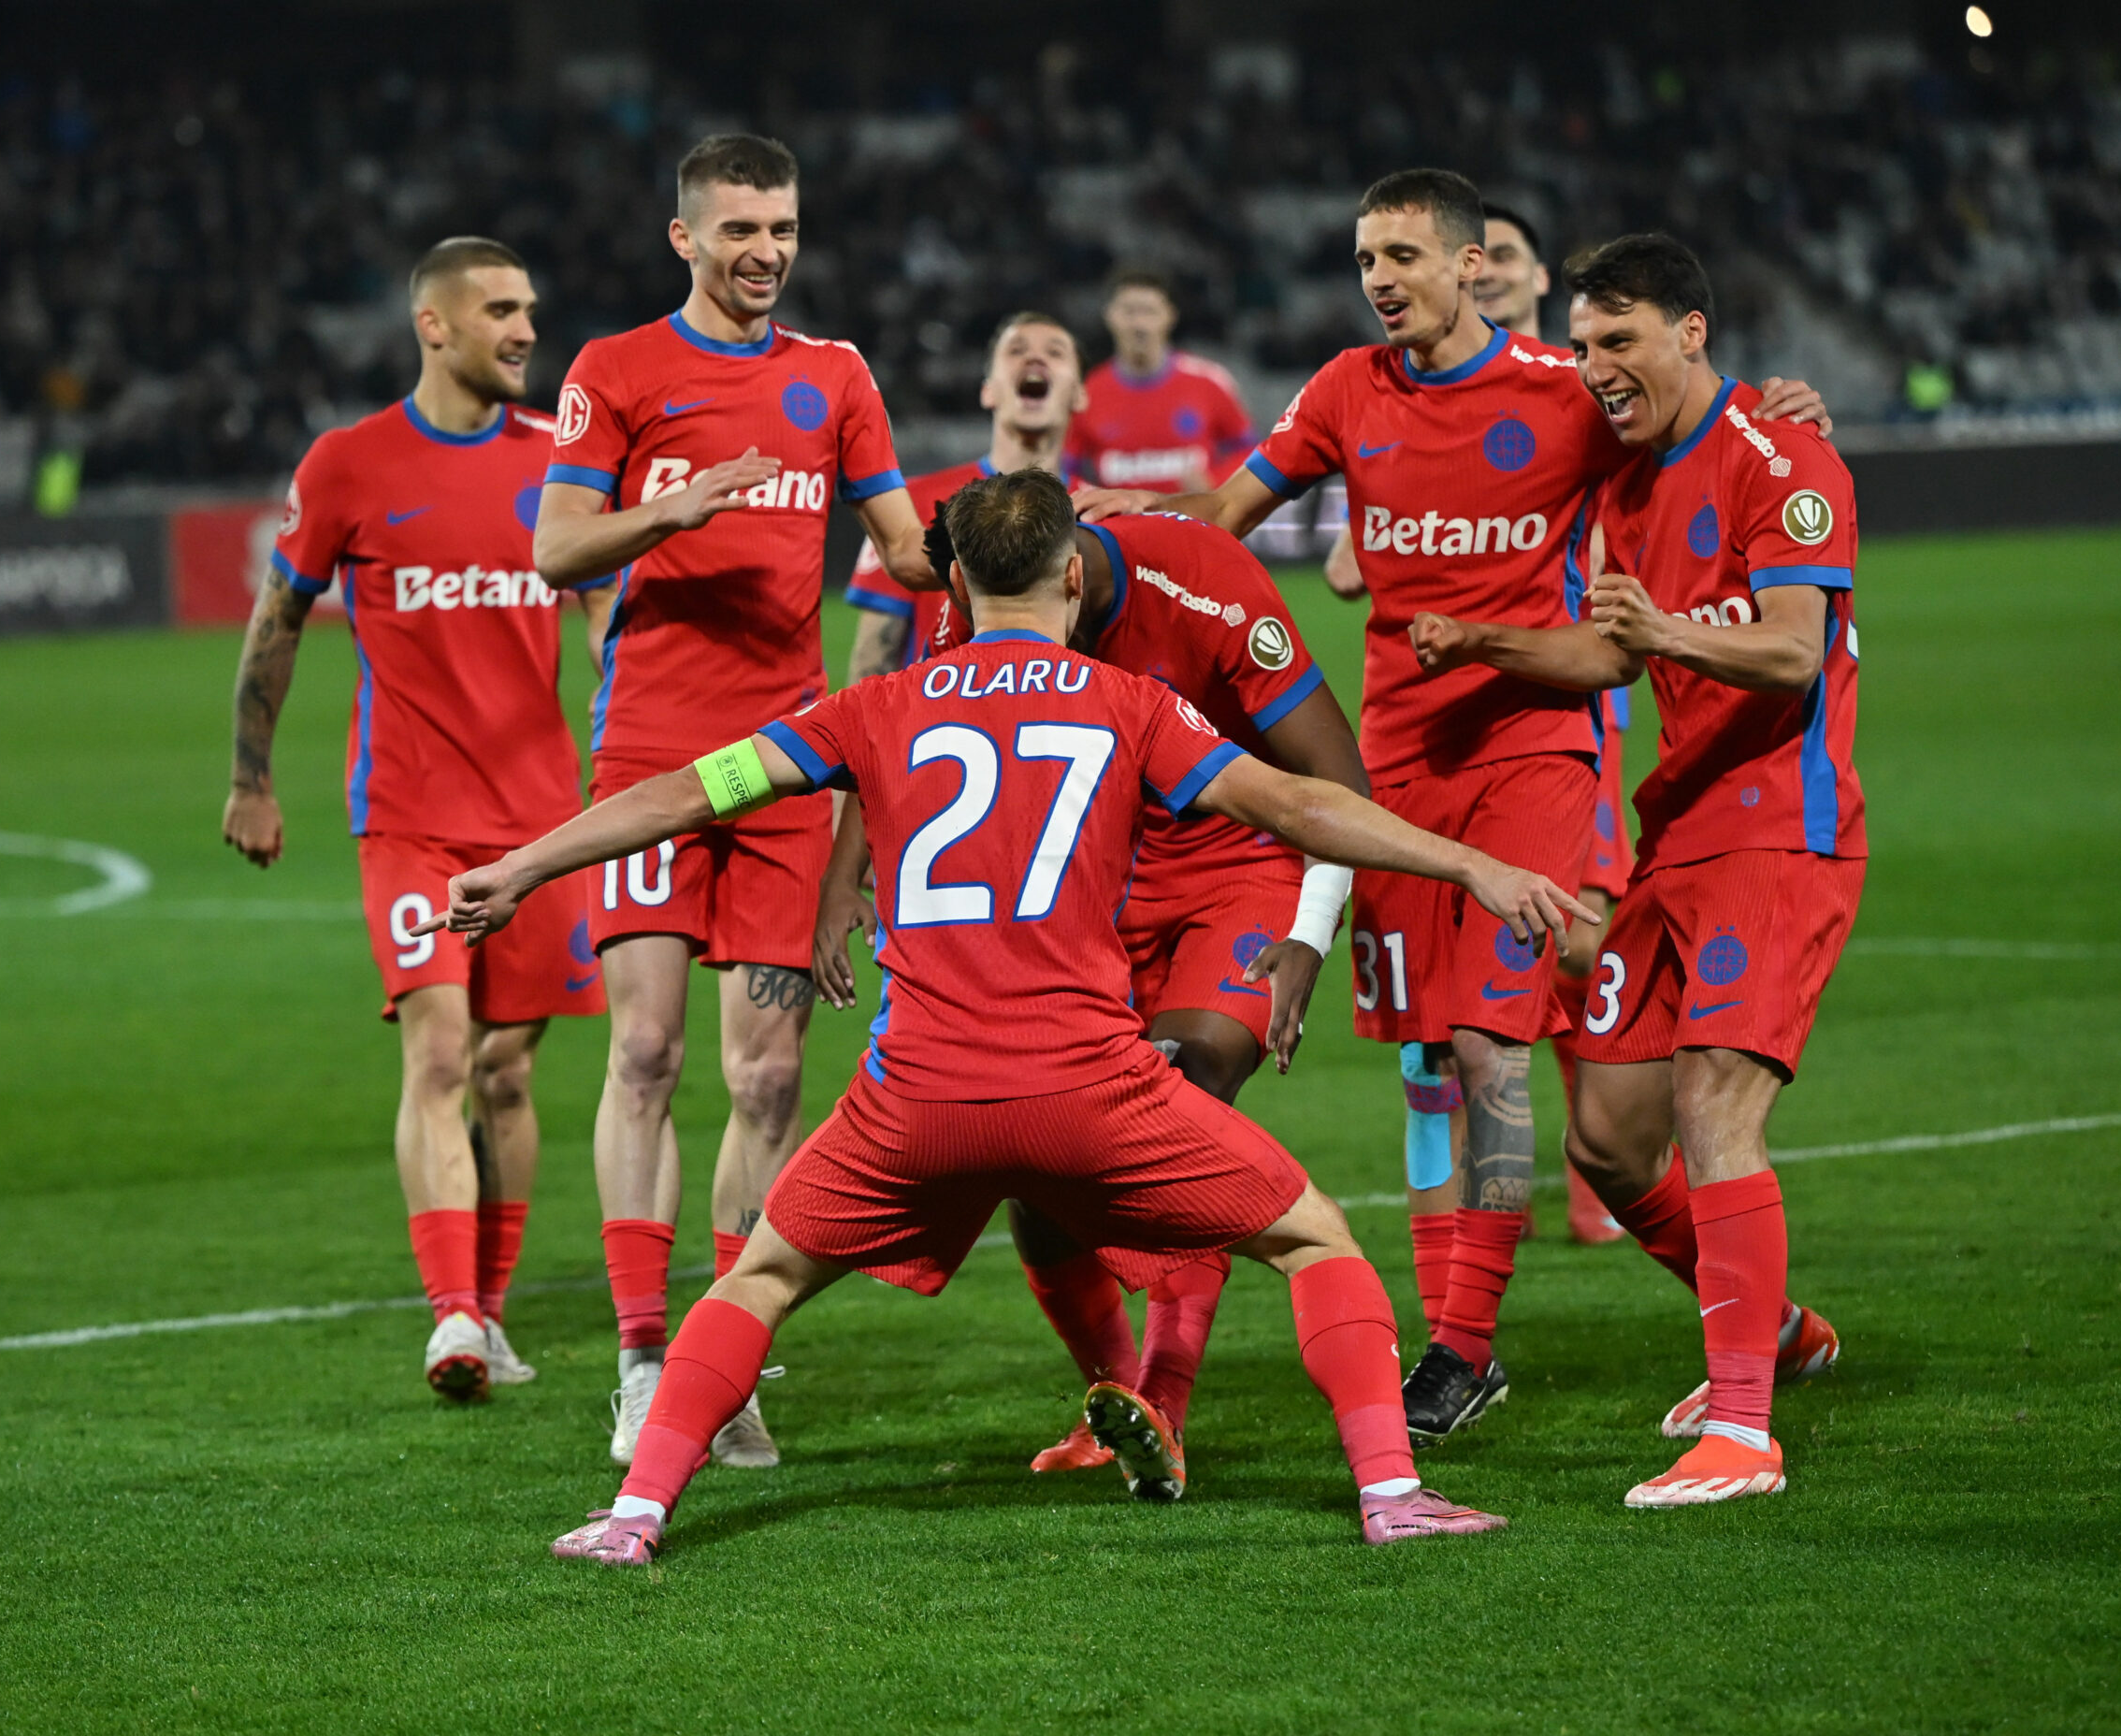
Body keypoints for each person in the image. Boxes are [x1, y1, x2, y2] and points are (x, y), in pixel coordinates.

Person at [414, 470, 1597, 1561]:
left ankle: (631, 1514)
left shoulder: (872, 707)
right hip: (1093, 1089)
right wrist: (1470, 868)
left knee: (758, 1280)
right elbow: (1297, 801)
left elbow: (690, 789)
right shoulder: (1132, 707)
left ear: (957, 582)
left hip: (912, 1102)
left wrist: (524, 866)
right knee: (1315, 1240)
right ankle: (1392, 1495)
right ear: (1074, 573)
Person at [1411, 231, 1856, 1508]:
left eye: (1622, 340)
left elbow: (1791, 651)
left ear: (1691, 333)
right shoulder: (1629, 489)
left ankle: (1744, 1435)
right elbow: (1612, 661)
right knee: (1610, 1143)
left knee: (1717, 1114)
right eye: (1590, 342)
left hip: (1784, 829)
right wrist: (1484, 642)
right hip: (1677, 844)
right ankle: (1773, 1328)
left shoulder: (1784, 456)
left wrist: (1659, 628)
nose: (1601, 365)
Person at [817, 499, 1370, 1497]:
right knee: (1041, 1172)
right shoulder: (992, 597)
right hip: (1092, 883)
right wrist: (841, 881)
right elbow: (898, 732)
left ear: (1071, 579)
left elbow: (1332, 777)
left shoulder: (1205, 585)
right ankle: (1115, 1402)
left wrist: (1309, 930)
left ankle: (1164, 1395)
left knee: (1186, 1094)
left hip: (1238, 870)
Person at [530, 134, 924, 1470]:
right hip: (651, 760)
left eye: (785, 230)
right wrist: (675, 509)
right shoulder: (617, 369)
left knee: (767, 1080)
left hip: (783, 769)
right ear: (684, 238)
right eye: (742, 229)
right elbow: (554, 547)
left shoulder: (836, 378)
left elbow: (907, 549)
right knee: (644, 1056)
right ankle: (643, 1360)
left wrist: (1028, 540)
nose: (766, 252)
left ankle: (722, 1357)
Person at [220, 237, 612, 1402]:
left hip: (539, 822)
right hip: (409, 815)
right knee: (439, 1050)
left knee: (504, 1073)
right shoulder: (351, 464)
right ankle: (450, 1317)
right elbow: (278, 621)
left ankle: (489, 1315)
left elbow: (609, 612)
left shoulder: (561, 462)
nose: (526, 329)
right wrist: (251, 776)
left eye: (530, 307)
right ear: (433, 326)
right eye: (500, 309)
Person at [1328, 197, 1624, 1252]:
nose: (1378, 276)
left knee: (1540, 979)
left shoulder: (1573, 394)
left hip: (1546, 728)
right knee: (1425, 1055)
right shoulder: (1357, 391)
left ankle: (1593, 1183)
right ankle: (1455, 1314)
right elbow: (1332, 555)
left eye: (1401, 255)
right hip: (1405, 755)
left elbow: (1684, 463)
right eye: (1365, 258)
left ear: (1506, 273)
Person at [843, 311, 1085, 684]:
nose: (1035, 358)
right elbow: (874, 656)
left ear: (1080, 393)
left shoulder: (1102, 511)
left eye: (1055, 352)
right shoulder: (912, 503)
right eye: (1016, 350)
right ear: (988, 389)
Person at [1065, 270, 1254, 494]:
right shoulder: (1085, 394)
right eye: (1129, 312)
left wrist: (1215, 481)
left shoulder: (1210, 382)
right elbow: (1064, 469)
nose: (1139, 324)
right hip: (1119, 526)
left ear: (1170, 316)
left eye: (1149, 312)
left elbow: (1249, 453)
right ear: (1109, 315)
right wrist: (1089, 496)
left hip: (1195, 523)